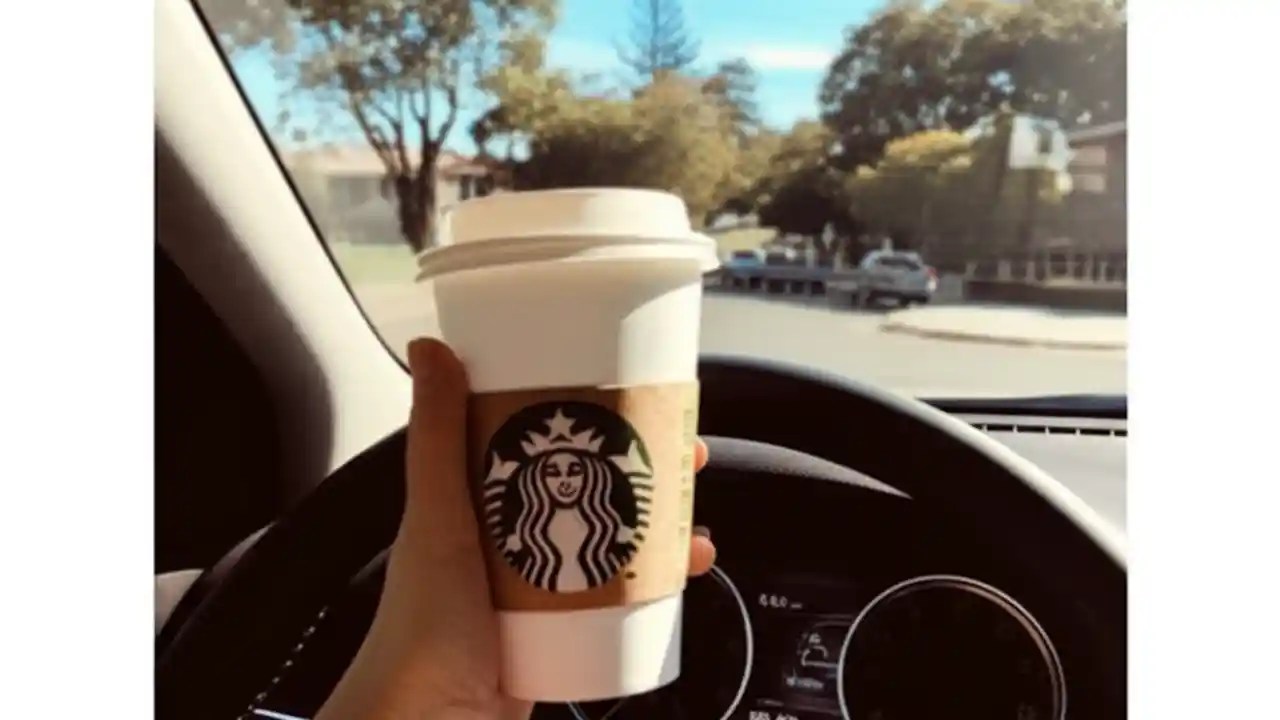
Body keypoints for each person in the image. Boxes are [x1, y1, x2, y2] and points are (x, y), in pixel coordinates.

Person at [316, 339, 717, 720]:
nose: (565, 481)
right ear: (535, 479)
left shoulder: (603, 535)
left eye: (575, 469)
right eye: (552, 470)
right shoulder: (530, 537)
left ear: (595, 476)